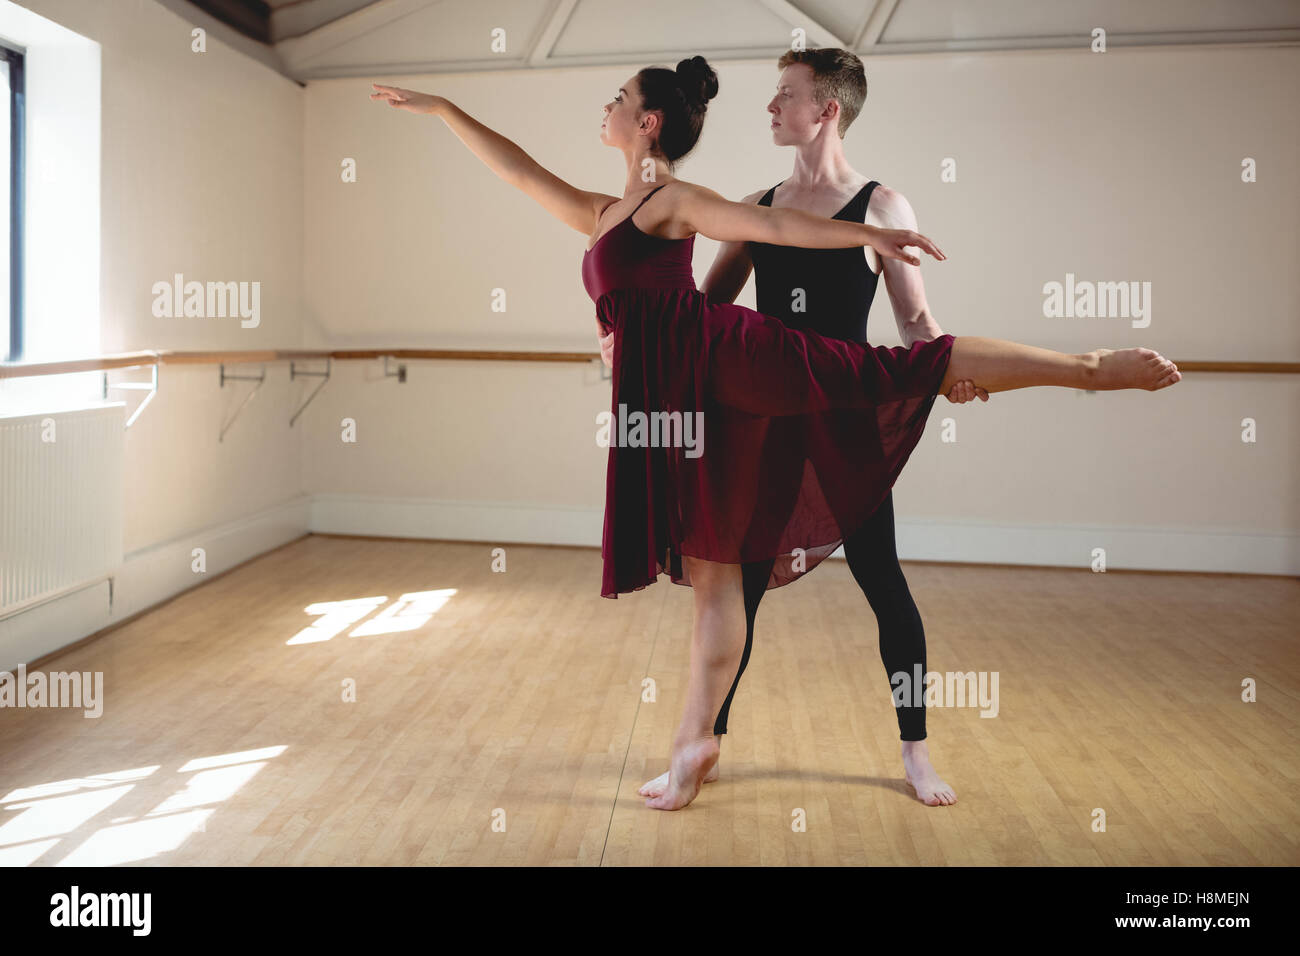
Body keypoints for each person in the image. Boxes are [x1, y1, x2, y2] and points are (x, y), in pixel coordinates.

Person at [370, 56, 1180, 812]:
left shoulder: (685, 202)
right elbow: (519, 172)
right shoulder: (611, 211)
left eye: (619, 99)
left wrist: (869, 239)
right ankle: (696, 743)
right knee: (722, 576)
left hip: (772, 371)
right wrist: (443, 108)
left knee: (888, 493)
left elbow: (812, 255)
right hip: (711, 393)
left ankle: (1084, 367)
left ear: (650, 124)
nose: (607, 107)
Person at [632, 48, 969, 808]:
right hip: (768, 425)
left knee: (883, 580)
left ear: (828, 111)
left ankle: (916, 751)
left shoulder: (884, 207)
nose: (771, 107)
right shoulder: (759, 206)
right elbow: (707, 311)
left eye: (786, 96)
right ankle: (699, 747)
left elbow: (916, 323)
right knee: (742, 585)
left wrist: (955, 371)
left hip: (846, 420)